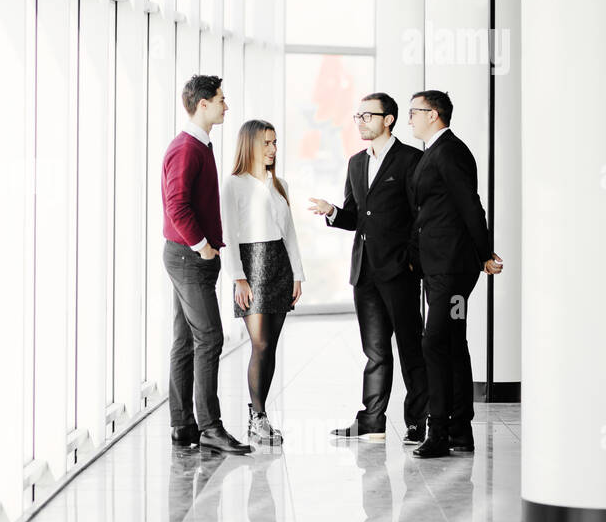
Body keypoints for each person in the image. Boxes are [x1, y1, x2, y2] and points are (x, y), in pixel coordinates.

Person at [307, 93, 429, 445]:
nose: (360, 121)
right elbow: (355, 216)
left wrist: (411, 257)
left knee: (410, 349)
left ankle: (417, 422)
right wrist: (332, 212)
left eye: (367, 115)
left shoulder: (411, 160)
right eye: (357, 115)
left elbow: (422, 215)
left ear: (388, 120)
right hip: (364, 272)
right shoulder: (355, 162)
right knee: (375, 352)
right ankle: (372, 421)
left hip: (400, 271)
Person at [404, 90, 504, 458]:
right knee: (452, 342)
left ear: (433, 114)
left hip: (453, 269)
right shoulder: (434, 151)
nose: (409, 118)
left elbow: (470, 204)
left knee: (433, 342)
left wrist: (483, 254)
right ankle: (461, 429)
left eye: (414, 111)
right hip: (440, 267)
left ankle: (440, 431)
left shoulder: (450, 151)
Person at [161, 76, 253, 455]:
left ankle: (183, 426)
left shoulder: (199, 145)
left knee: (186, 342)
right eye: (220, 100)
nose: (225, 106)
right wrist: (202, 247)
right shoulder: (187, 149)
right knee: (210, 339)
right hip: (188, 257)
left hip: (186, 256)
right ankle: (210, 427)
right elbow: (177, 205)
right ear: (202, 105)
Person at [223, 119, 304, 446]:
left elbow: (290, 234)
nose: (272, 149)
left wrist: (298, 274)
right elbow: (229, 234)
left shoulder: (279, 183)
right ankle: (257, 418)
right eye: (266, 143)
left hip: (280, 266)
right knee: (261, 344)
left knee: (270, 347)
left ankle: (260, 414)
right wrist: (238, 278)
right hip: (251, 267)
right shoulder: (234, 184)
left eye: (274, 143)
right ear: (250, 145)